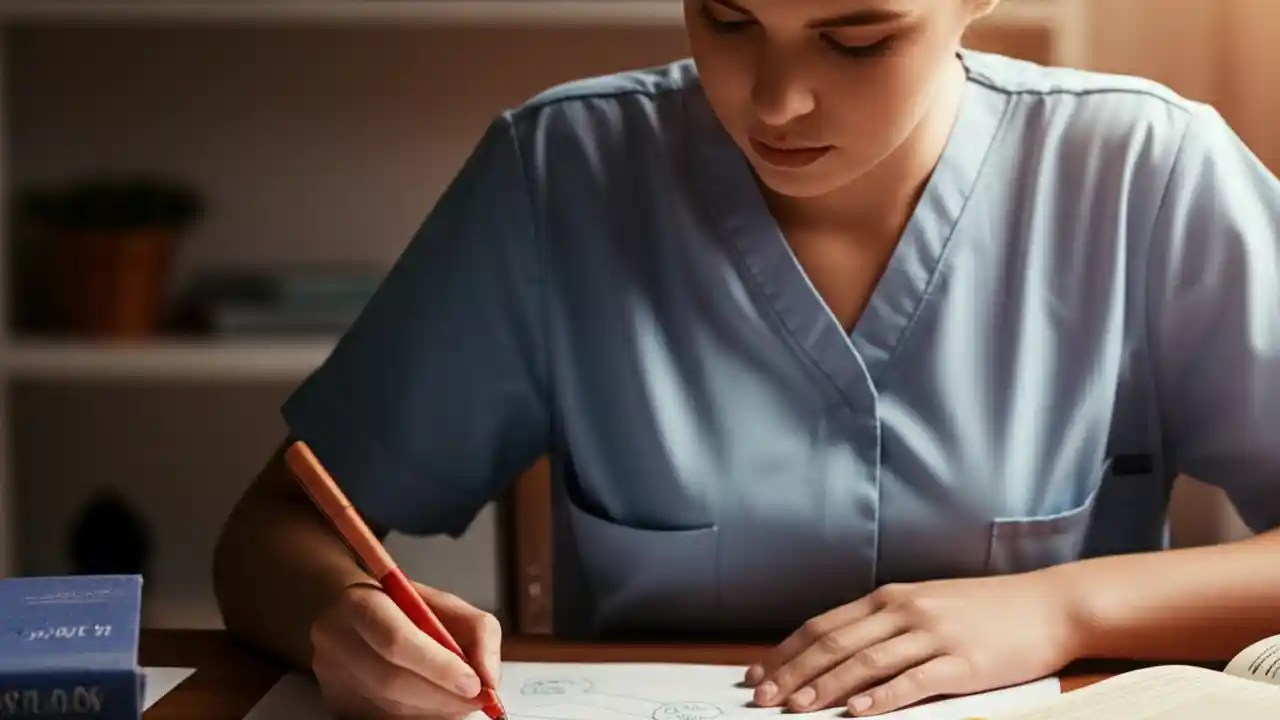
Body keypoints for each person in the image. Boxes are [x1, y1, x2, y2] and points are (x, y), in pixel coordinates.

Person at [213, 0, 1280, 717]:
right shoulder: (559, 176)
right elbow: (274, 532)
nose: (774, 101)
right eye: (726, 17)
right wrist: (335, 623)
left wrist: (1061, 608)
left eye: (856, 38)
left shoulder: (1145, 174)